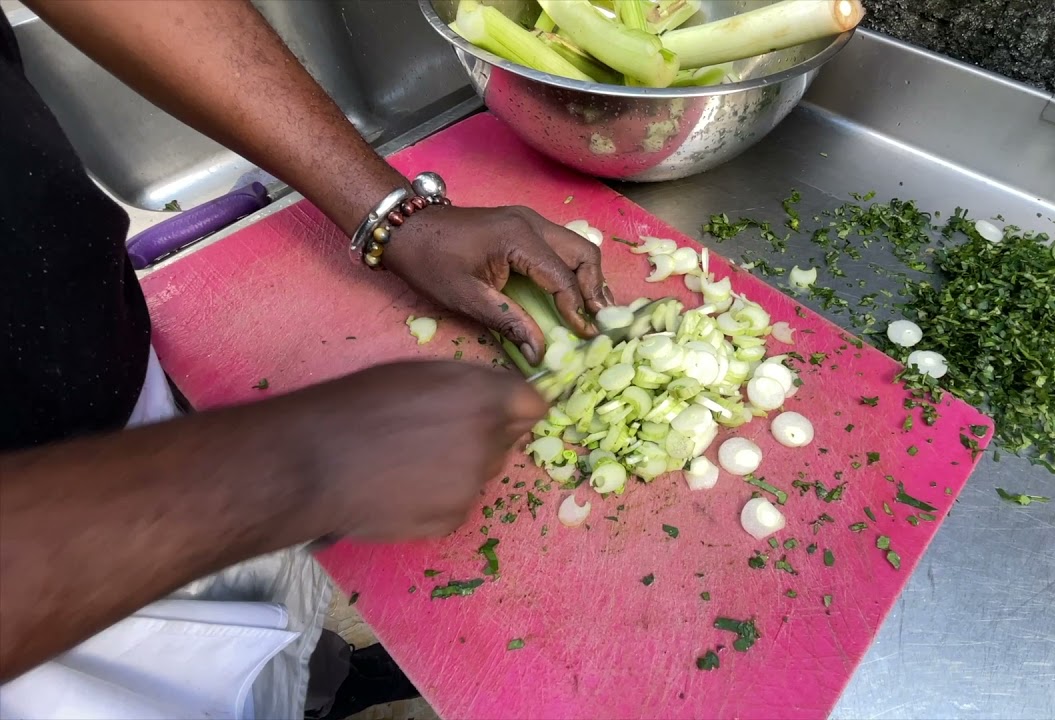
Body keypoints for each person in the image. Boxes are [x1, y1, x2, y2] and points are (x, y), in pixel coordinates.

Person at [0, 1, 607, 717]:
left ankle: (323, 685)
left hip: (113, 384)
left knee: (277, 643)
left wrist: (393, 215)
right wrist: (294, 467)